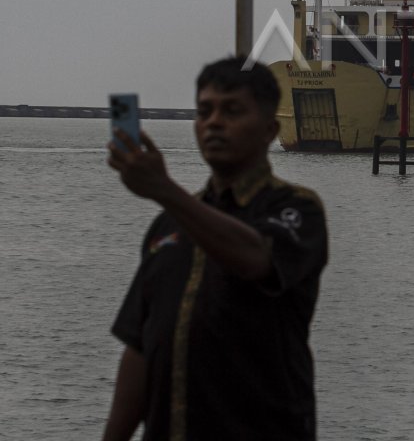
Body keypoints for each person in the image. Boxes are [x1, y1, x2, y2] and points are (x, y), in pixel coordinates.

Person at [102, 57, 328, 441]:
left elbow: (255, 259)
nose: (214, 123)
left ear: (270, 130)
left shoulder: (296, 209)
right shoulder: (168, 226)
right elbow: (141, 347)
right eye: (204, 111)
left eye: (232, 111)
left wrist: (163, 190)